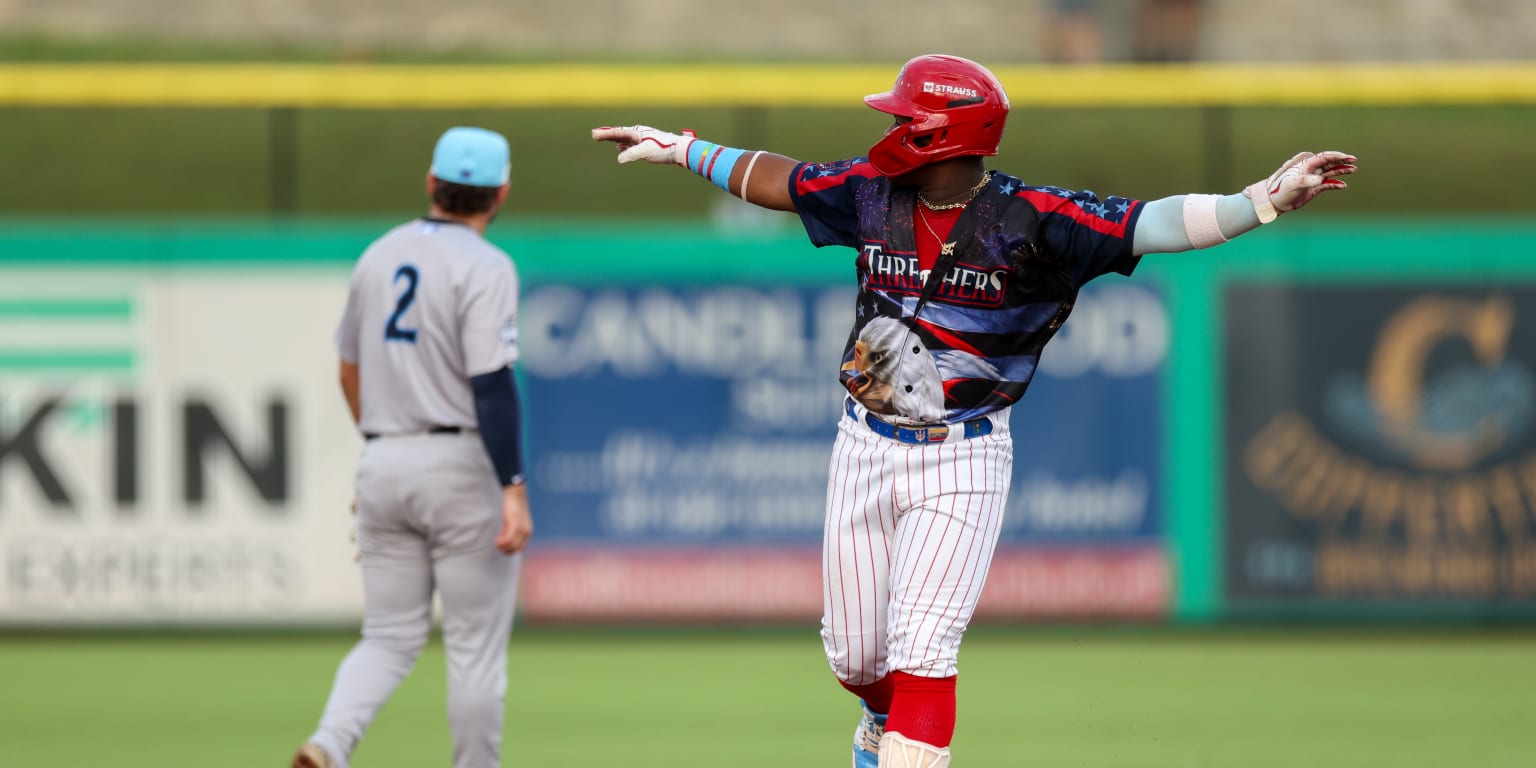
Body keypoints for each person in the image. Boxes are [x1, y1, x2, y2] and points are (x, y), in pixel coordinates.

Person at [592, 54, 1355, 768]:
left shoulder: (1037, 217)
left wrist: (1262, 200)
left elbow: (1154, 223)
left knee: (923, 650)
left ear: (943, 133)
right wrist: (683, 148)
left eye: (904, 120)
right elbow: (784, 181)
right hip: (862, 442)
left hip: (964, 453)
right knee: (853, 656)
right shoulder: (872, 192)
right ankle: (879, 721)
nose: (890, 131)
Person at [293, 126, 534, 768]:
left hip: (383, 456)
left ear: (432, 183)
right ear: (500, 193)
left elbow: (348, 367)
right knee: (474, 646)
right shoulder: (487, 265)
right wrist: (513, 488)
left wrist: (381, 445)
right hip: (460, 464)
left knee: (387, 636)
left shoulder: (378, 254)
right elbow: (491, 383)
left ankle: (329, 744)